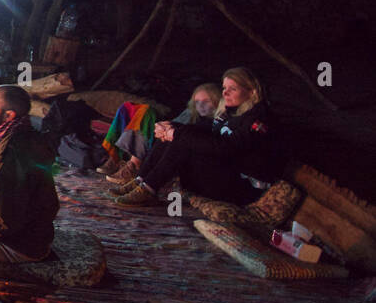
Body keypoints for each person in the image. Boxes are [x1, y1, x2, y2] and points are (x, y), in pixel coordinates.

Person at [115, 67, 280, 207]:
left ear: (251, 91)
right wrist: (171, 128)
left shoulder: (258, 119)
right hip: (223, 174)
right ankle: (140, 180)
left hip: (242, 187)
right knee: (178, 136)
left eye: (233, 89)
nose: (225, 93)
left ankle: (148, 189)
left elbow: (227, 148)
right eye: (224, 88)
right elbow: (205, 131)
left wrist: (177, 134)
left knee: (182, 142)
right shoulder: (233, 112)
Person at [0, 84, 59, 262]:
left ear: (9, 115)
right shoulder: (19, 134)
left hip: (19, 245)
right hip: (27, 234)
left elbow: (1, 224)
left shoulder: (8, 157)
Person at [103, 82, 219, 184]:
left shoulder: (218, 121)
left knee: (147, 112)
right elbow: (174, 123)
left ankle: (134, 166)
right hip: (163, 139)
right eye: (197, 102)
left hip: (172, 148)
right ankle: (115, 157)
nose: (201, 105)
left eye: (206, 101)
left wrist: (167, 131)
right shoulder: (191, 112)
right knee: (127, 107)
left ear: (217, 101)